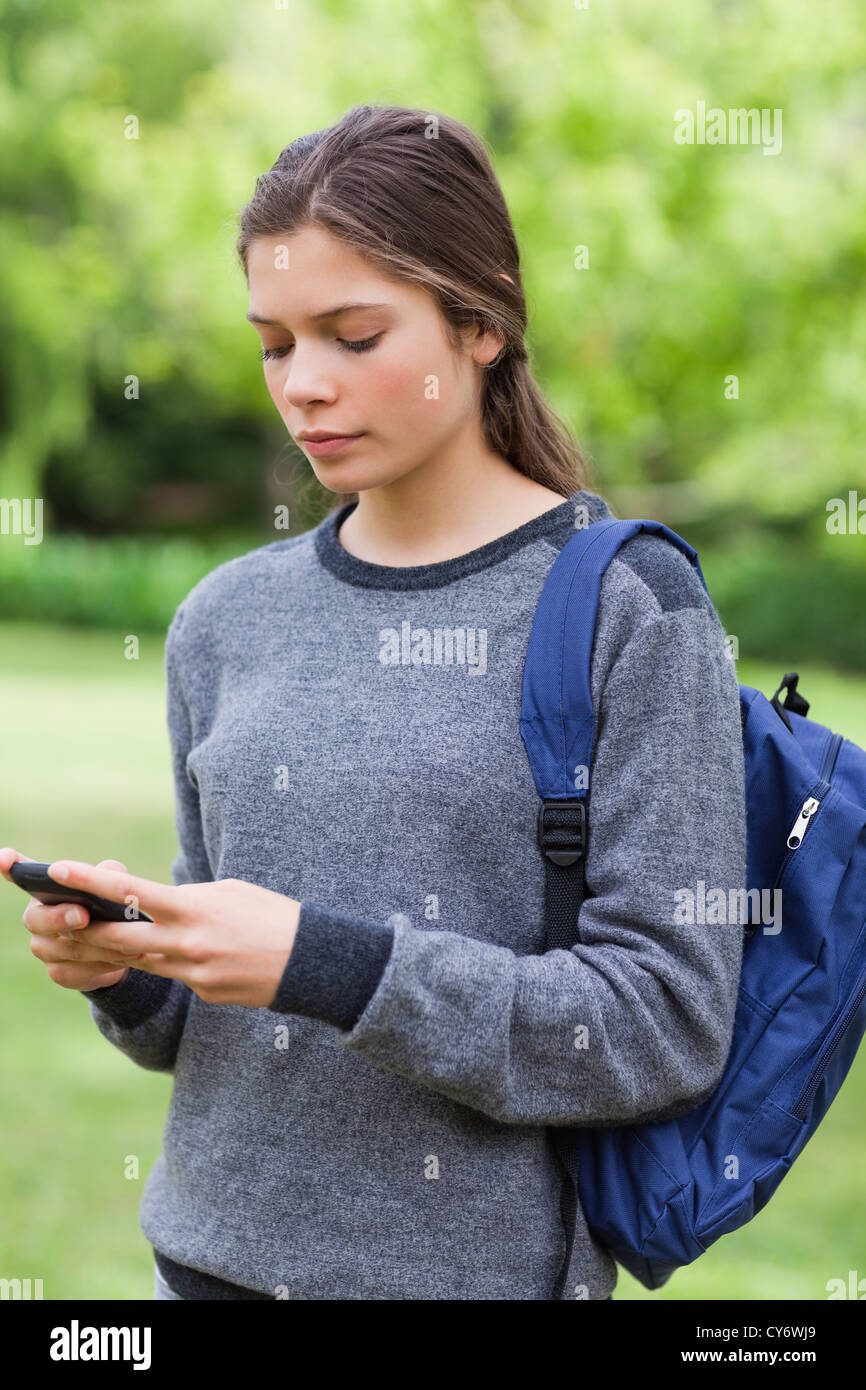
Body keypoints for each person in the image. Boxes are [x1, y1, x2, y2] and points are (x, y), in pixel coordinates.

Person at [0, 104, 746, 1301]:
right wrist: (133, 969)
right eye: (274, 343)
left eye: (351, 335)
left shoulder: (629, 607)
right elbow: (215, 1024)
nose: (302, 386)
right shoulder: (224, 618)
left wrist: (330, 962)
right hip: (195, 1268)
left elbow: (660, 1022)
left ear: (483, 319)